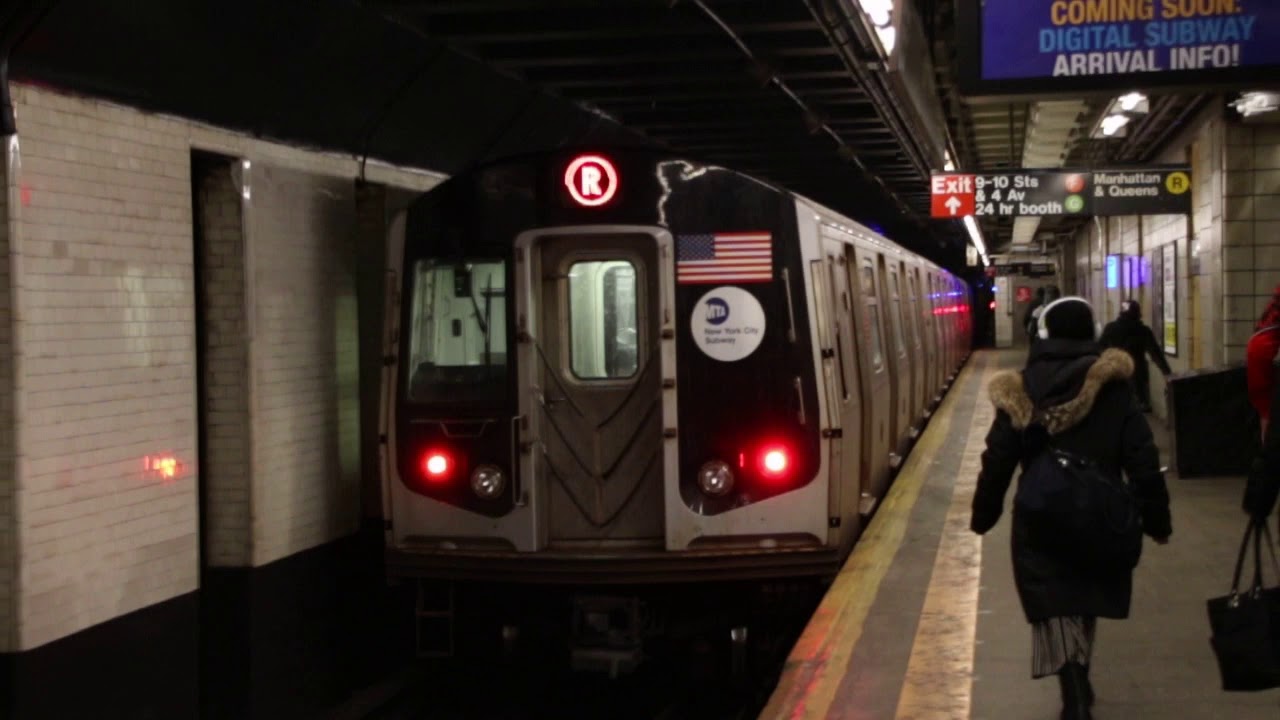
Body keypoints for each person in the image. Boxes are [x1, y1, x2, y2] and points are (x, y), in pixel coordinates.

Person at [971, 296, 1172, 720]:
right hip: (1102, 511)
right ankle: (1079, 678)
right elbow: (1143, 458)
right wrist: (1157, 519)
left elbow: (998, 457)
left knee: (1054, 602)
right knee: (1084, 596)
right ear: (1093, 334)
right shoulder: (1115, 389)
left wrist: (984, 513)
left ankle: (1074, 690)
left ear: (1042, 335)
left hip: (1041, 512)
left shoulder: (1021, 387)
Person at [1099, 300, 1172, 412]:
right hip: (1137, 379)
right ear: (1138, 313)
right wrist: (1167, 374)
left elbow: (1099, 350)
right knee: (1136, 412)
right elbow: (1156, 354)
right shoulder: (1143, 331)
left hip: (1115, 376)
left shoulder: (1111, 328)